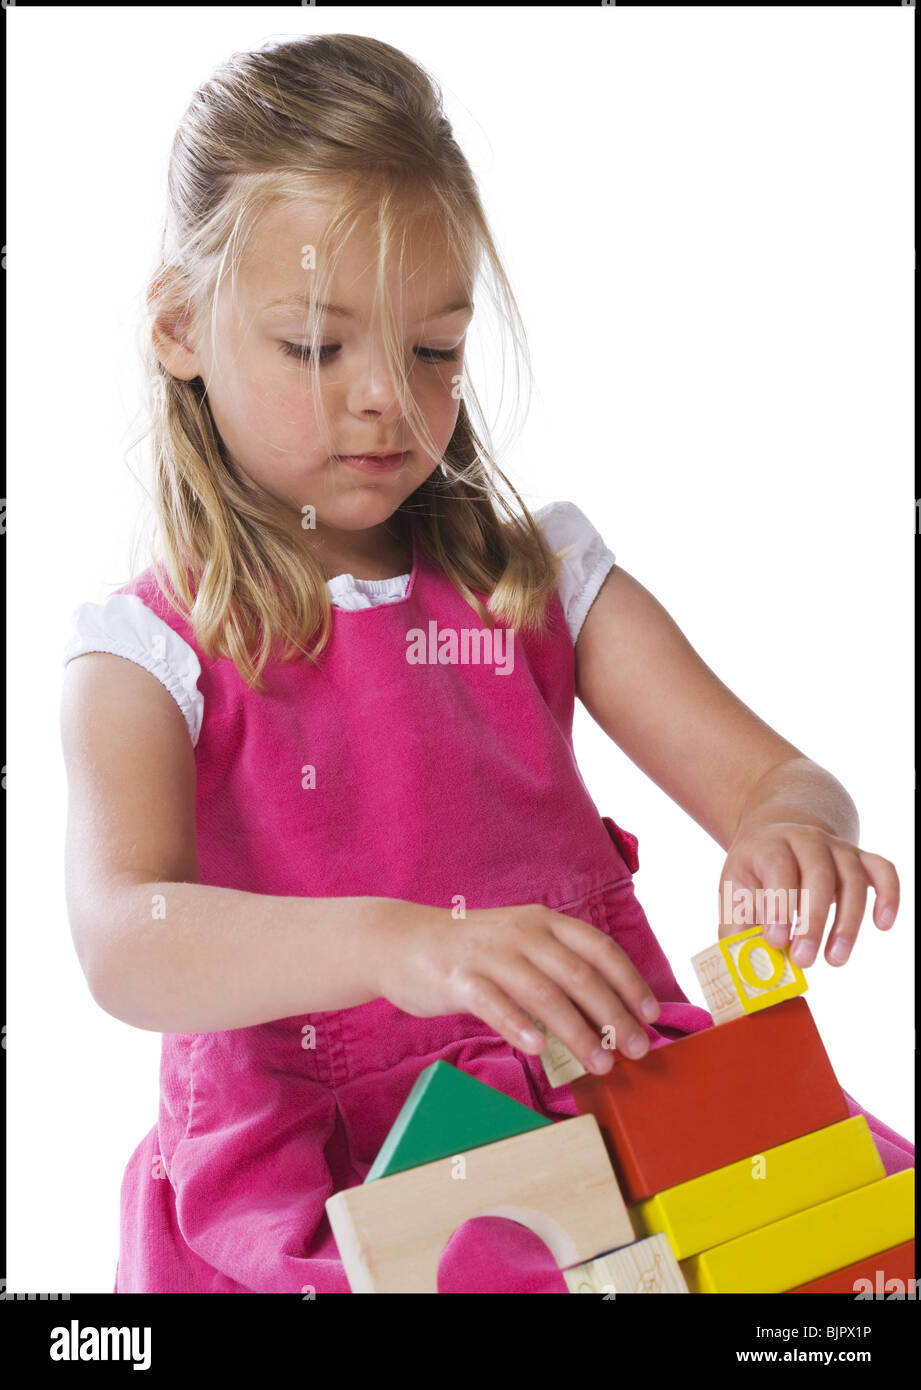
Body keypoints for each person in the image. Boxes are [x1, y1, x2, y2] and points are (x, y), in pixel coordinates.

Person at [60, 34, 913, 1295]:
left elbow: (777, 781)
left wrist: (792, 829)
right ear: (183, 327)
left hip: (616, 1095)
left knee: (853, 1265)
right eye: (315, 347)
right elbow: (127, 937)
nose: (387, 403)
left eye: (434, 349)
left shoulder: (540, 582)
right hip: (333, 1178)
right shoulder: (145, 659)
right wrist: (398, 945)